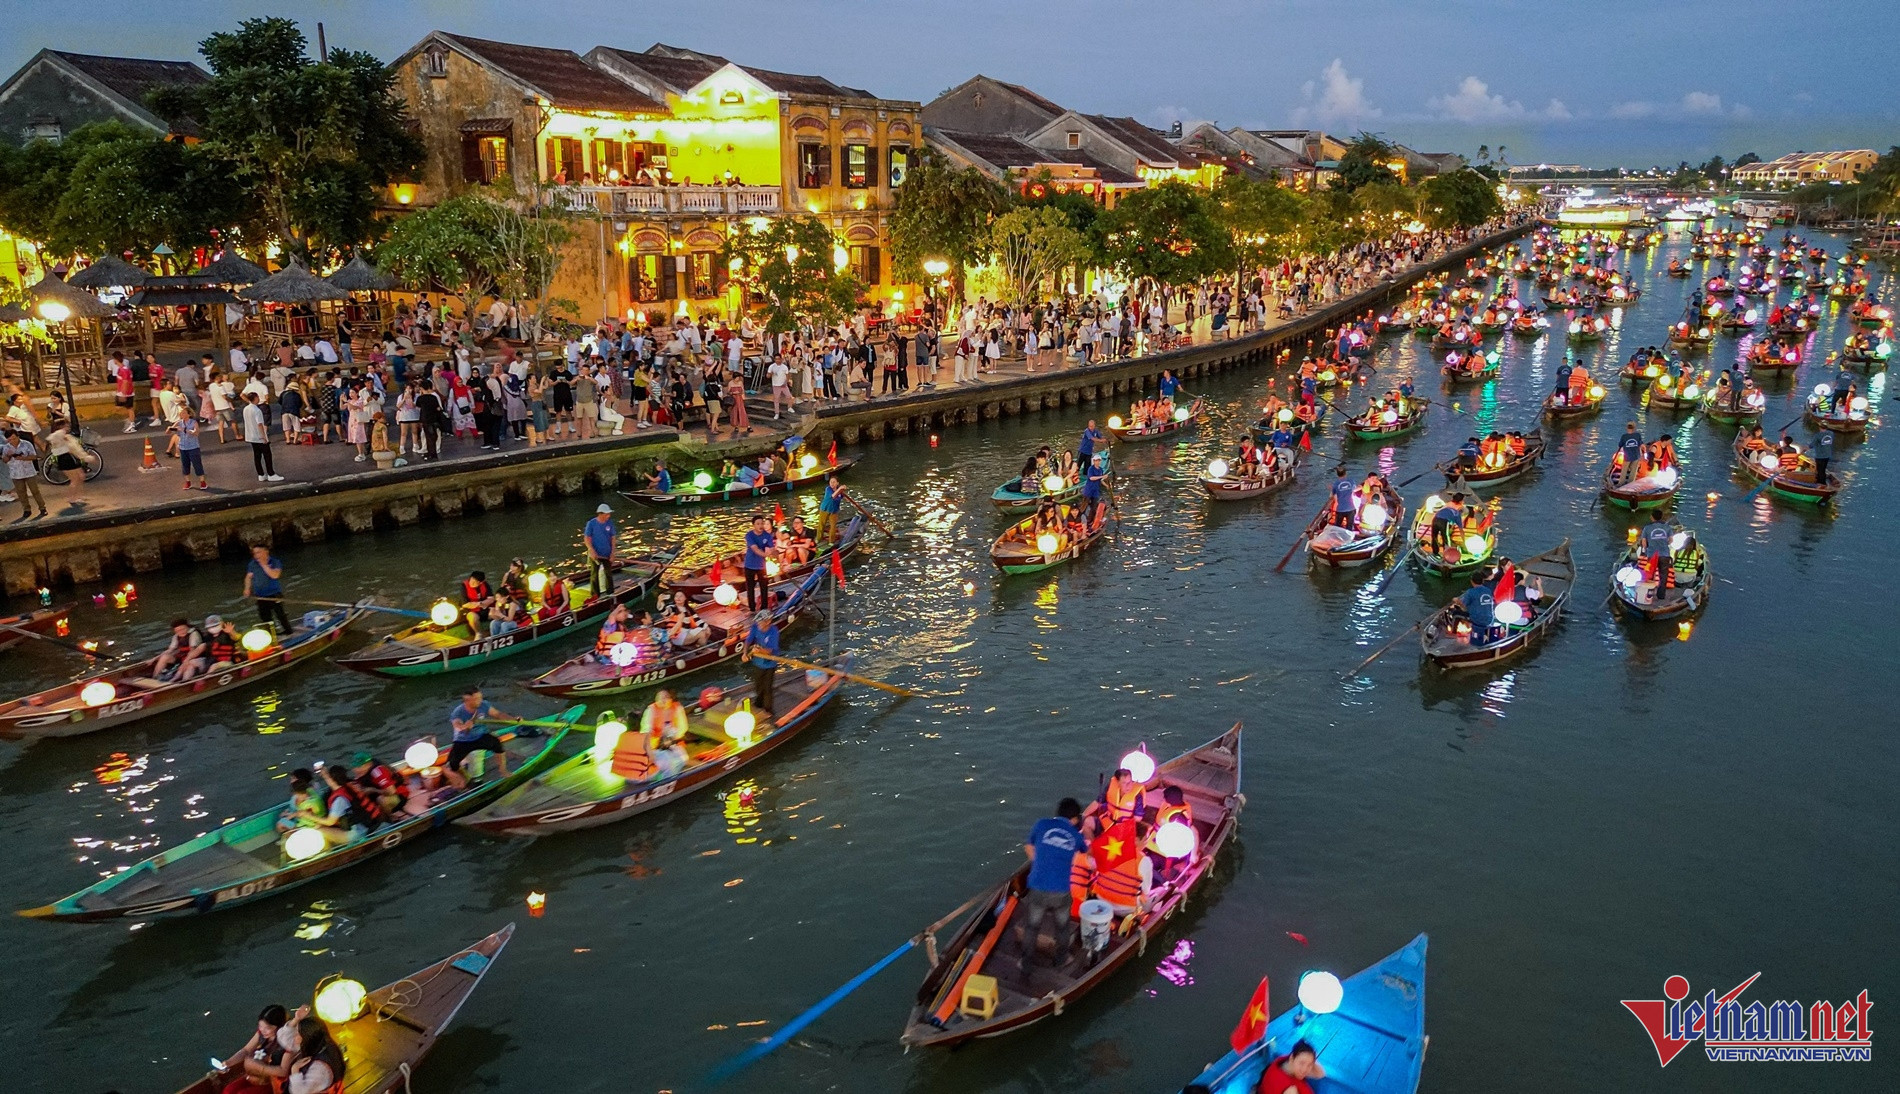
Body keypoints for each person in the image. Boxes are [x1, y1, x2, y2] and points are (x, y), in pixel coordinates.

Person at [1018, 797, 1086, 973]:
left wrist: (1040, 861)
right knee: (1062, 927)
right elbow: (1085, 851)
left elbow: (1028, 846)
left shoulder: (1041, 824)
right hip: (1060, 892)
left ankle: (1025, 963)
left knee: (1032, 927)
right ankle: (1061, 959)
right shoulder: (1076, 835)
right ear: (1075, 819)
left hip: (1037, 887)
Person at [213, 1003, 292, 1094]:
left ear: (279, 1027)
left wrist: (258, 1066)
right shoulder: (262, 1035)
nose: (262, 1030)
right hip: (254, 1076)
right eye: (260, 1026)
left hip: (272, 1082)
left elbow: (283, 1072)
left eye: (267, 1028)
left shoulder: (286, 1042)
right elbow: (246, 1050)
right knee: (228, 1090)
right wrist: (228, 1063)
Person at [445, 686, 513, 789]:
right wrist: (465, 726)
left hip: (481, 735)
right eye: (477, 699)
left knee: (497, 745)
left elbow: (497, 714)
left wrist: (513, 719)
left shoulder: (483, 705)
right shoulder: (458, 712)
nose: (480, 700)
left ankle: (503, 770)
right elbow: (457, 726)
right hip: (463, 740)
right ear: (467, 700)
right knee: (453, 764)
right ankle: (465, 777)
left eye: (480, 697)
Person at [316, 762, 383, 844]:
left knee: (320, 830)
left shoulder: (340, 799)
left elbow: (330, 821)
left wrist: (307, 815)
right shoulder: (351, 785)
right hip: (372, 821)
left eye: (328, 777)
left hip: (359, 832)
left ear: (332, 780)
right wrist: (324, 774)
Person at [282, 1015, 346, 1094]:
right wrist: (295, 1019)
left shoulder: (320, 1068)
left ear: (308, 1037)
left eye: (298, 1033)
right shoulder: (322, 1044)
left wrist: (294, 1069)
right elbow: (285, 1040)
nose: (295, 1037)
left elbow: (299, 1092)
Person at [641, 688, 690, 777]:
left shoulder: (677, 708)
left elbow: (683, 727)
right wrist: (657, 740)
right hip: (655, 745)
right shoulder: (651, 709)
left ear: (671, 699)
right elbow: (646, 729)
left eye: (665, 697)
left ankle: (672, 776)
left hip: (673, 743)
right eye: (659, 697)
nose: (662, 700)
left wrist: (672, 737)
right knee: (658, 762)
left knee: (682, 759)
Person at [244, 545, 291, 634]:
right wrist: (247, 589)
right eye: (254, 553)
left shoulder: (275, 562)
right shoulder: (252, 564)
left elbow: (275, 575)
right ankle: (270, 635)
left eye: (258, 552)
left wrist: (264, 565)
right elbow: (248, 577)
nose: (256, 555)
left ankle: (288, 632)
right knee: (265, 617)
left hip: (274, 594)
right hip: (260, 596)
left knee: (280, 615)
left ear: (266, 552)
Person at [349, 751, 410, 817]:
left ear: (368, 764)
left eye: (358, 767)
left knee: (382, 800)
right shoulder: (360, 775)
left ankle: (388, 818)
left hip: (398, 796)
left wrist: (372, 790)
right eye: (354, 767)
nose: (355, 770)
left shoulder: (378, 772)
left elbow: (391, 791)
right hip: (377, 795)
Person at [2, 428, 44, 522]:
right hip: (16, 473)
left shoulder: (26, 444)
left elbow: (34, 456)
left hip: (28, 471)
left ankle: (42, 507)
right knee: (21, 493)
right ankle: (26, 509)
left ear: (17, 436)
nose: (12, 441)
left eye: (14, 438)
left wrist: (23, 458)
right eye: (9, 439)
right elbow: (5, 460)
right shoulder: (6, 447)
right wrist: (8, 455)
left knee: (35, 491)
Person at [1257, 1040, 1327, 1094]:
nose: (1304, 1069)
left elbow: (1320, 1074)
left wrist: (1310, 1057)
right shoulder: (1288, 1089)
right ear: (1291, 1058)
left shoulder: (1286, 1062)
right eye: (1302, 1063)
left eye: (1309, 1065)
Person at [744, 609, 779, 716]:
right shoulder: (755, 627)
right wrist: (745, 653)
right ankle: (758, 704)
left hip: (770, 663)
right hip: (758, 662)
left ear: (768, 621)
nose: (759, 624)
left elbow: (770, 651)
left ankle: (768, 710)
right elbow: (748, 641)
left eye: (761, 622)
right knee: (758, 684)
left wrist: (758, 650)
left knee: (767, 687)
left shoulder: (774, 631)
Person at [153, 617, 208, 682]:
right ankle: (155, 678)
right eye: (178, 631)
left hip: (194, 657)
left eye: (183, 629)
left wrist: (185, 662)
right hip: (182, 657)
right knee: (165, 657)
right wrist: (154, 659)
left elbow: (192, 650)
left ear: (187, 627)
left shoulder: (193, 634)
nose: (181, 632)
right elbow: (170, 650)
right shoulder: (176, 636)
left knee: (188, 666)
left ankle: (181, 682)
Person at [742, 515, 775, 612]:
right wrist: (766, 555)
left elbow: (772, 547)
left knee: (764, 587)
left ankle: (764, 608)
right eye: (758, 524)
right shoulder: (749, 535)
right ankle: (752, 608)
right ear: (754, 525)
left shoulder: (767, 535)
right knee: (750, 588)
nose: (761, 526)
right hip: (750, 565)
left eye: (762, 523)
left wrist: (772, 552)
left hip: (761, 566)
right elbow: (755, 549)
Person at [584, 504, 617, 597]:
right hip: (595, 554)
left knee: (608, 573)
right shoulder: (591, 523)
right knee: (594, 574)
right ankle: (595, 595)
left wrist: (612, 553)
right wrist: (591, 550)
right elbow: (587, 538)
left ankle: (610, 592)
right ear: (601, 514)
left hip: (607, 553)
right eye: (607, 514)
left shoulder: (609, 523)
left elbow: (613, 537)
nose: (609, 516)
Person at [176, 411, 208, 490]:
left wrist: (185, 430)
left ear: (189, 414)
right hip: (183, 447)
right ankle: (188, 482)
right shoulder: (179, 423)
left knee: (197, 464)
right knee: (185, 465)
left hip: (193, 447)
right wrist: (170, 429)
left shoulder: (193, 422)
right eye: (181, 413)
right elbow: (169, 432)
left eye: (184, 413)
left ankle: (202, 482)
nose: (182, 415)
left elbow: (196, 433)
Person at [818, 475, 844, 542]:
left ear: (837, 483)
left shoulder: (840, 492)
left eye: (834, 482)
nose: (832, 483)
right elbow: (833, 496)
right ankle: (819, 539)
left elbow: (843, 497)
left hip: (834, 511)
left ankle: (831, 541)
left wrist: (842, 489)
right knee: (822, 525)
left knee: (833, 526)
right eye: (831, 482)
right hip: (825, 509)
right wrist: (839, 489)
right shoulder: (828, 489)